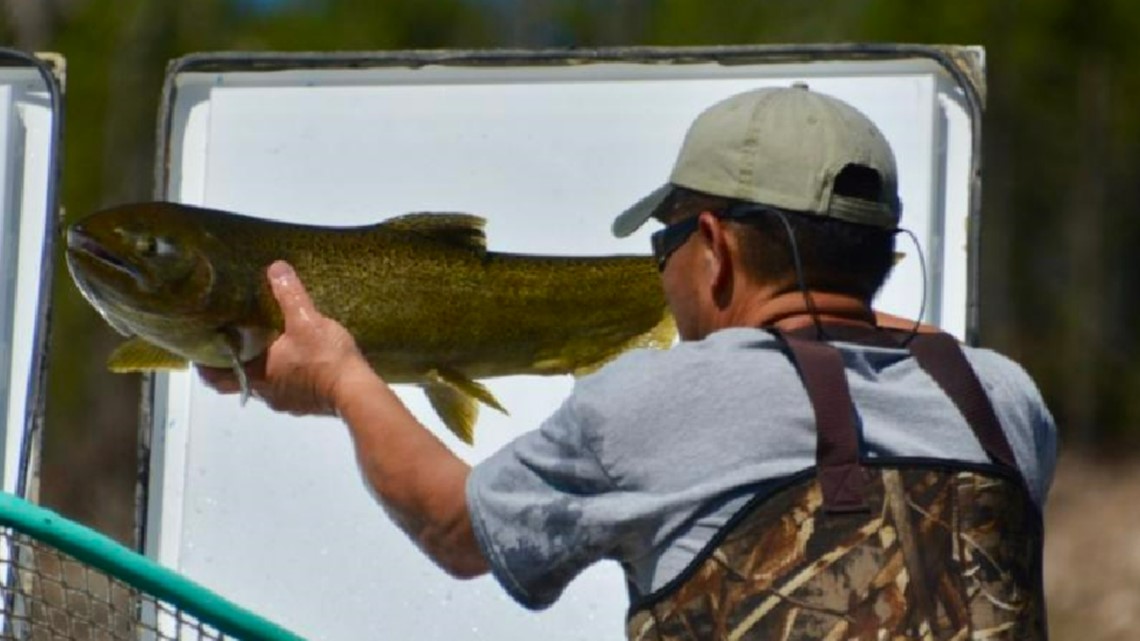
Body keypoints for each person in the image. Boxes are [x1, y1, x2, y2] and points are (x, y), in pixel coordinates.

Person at [199, 85, 1055, 639]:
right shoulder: (1002, 396)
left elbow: (457, 529)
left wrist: (341, 379)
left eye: (665, 242)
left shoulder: (654, 405)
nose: (662, 269)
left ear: (712, 248)